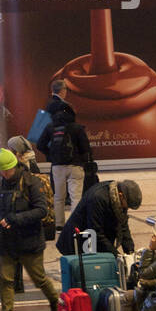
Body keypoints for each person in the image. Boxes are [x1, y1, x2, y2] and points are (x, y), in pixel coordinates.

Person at [0, 147, 59, 311]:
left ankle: (56, 304)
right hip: (6, 240)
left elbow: (41, 210)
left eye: (7, 170)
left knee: (39, 278)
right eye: (1, 171)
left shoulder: (30, 182)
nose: (4, 174)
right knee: (6, 280)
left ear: (14, 166)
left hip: (29, 240)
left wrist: (15, 219)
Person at [45, 80, 92, 229]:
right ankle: (75, 225)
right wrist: (84, 162)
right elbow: (85, 147)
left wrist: (51, 155)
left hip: (58, 164)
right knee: (76, 196)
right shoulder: (76, 127)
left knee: (58, 197)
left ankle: (59, 225)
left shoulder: (51, 125)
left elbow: (40, 143)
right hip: (75, 164)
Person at [57, 178, 142, 257]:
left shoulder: (118, 199)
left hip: (95, 241)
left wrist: (130, 252)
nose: (126, 209)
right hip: (78, 242)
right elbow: (95, 232)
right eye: (127, 206)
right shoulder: (98, 197)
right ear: (121, 195)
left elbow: (123, 226)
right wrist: (116, 255)